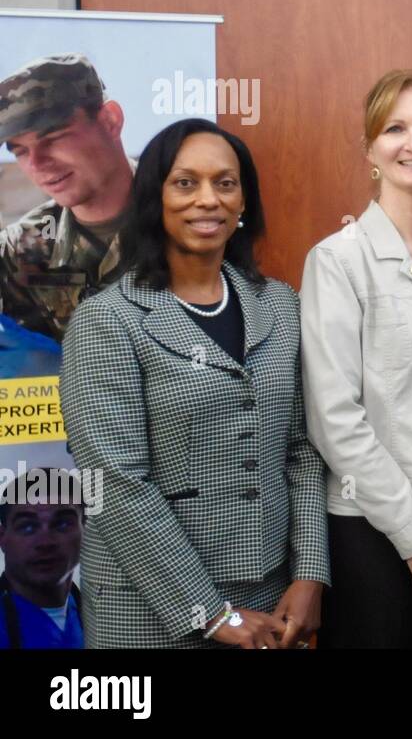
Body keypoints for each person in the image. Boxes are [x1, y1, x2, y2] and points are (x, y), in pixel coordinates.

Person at [60, 119, 329, 648]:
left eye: (225, 183)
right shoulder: (105, 321)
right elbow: (114, 481)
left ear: (243, 200)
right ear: (153, 197)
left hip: (270, 596)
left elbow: (301, 447)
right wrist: (211, 614)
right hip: (147, 607)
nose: (208, 199)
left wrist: (310, 573)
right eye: (185, 183)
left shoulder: (279, 304)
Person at [300, 69, 412, 649]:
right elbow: (333, 418)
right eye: (395, 129)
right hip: (371, 530)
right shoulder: (337, 261)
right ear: (370, 149)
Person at [0, 54, 134, 341]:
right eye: (20, 151)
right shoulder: (20, 250)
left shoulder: (196, 220)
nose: (37, 164)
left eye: (53, 139)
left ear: (110, 121)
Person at [0, 467, 85, 649]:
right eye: (27, 526)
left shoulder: (109, 615)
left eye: (63, 524)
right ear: (2, 537)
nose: (45, 542)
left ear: (86, 531)